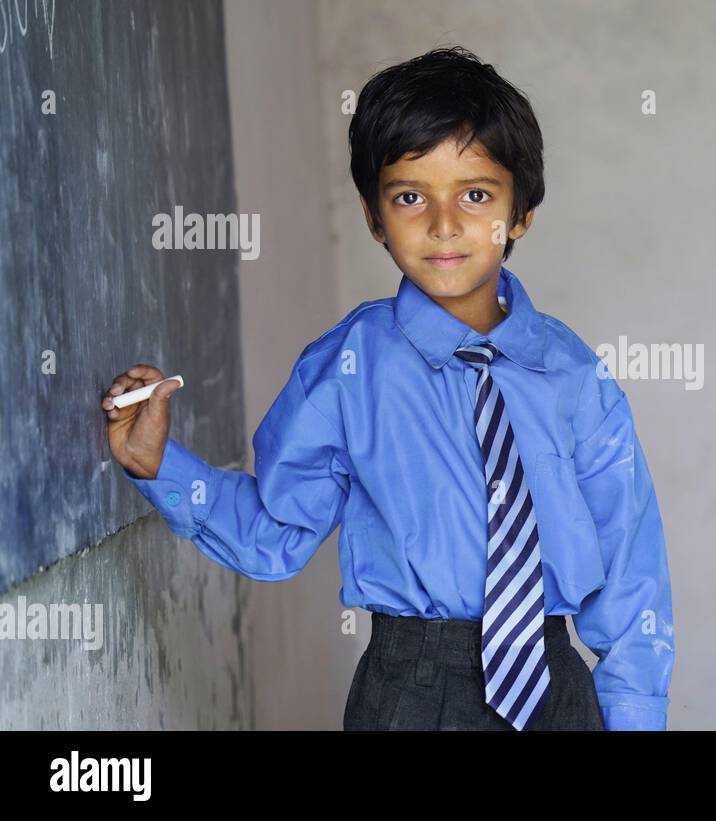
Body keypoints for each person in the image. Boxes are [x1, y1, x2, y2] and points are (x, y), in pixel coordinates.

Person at [100, 46, 674, 731]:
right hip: (411, 690)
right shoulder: (350, 367)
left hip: (555, 690)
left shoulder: (575, 376)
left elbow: (630, 562)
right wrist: (160, 466)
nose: (443, 223)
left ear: (520, 213)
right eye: (409, 196)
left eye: (476, 194)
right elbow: (275, 532)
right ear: (374, 217)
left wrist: (635, 717)